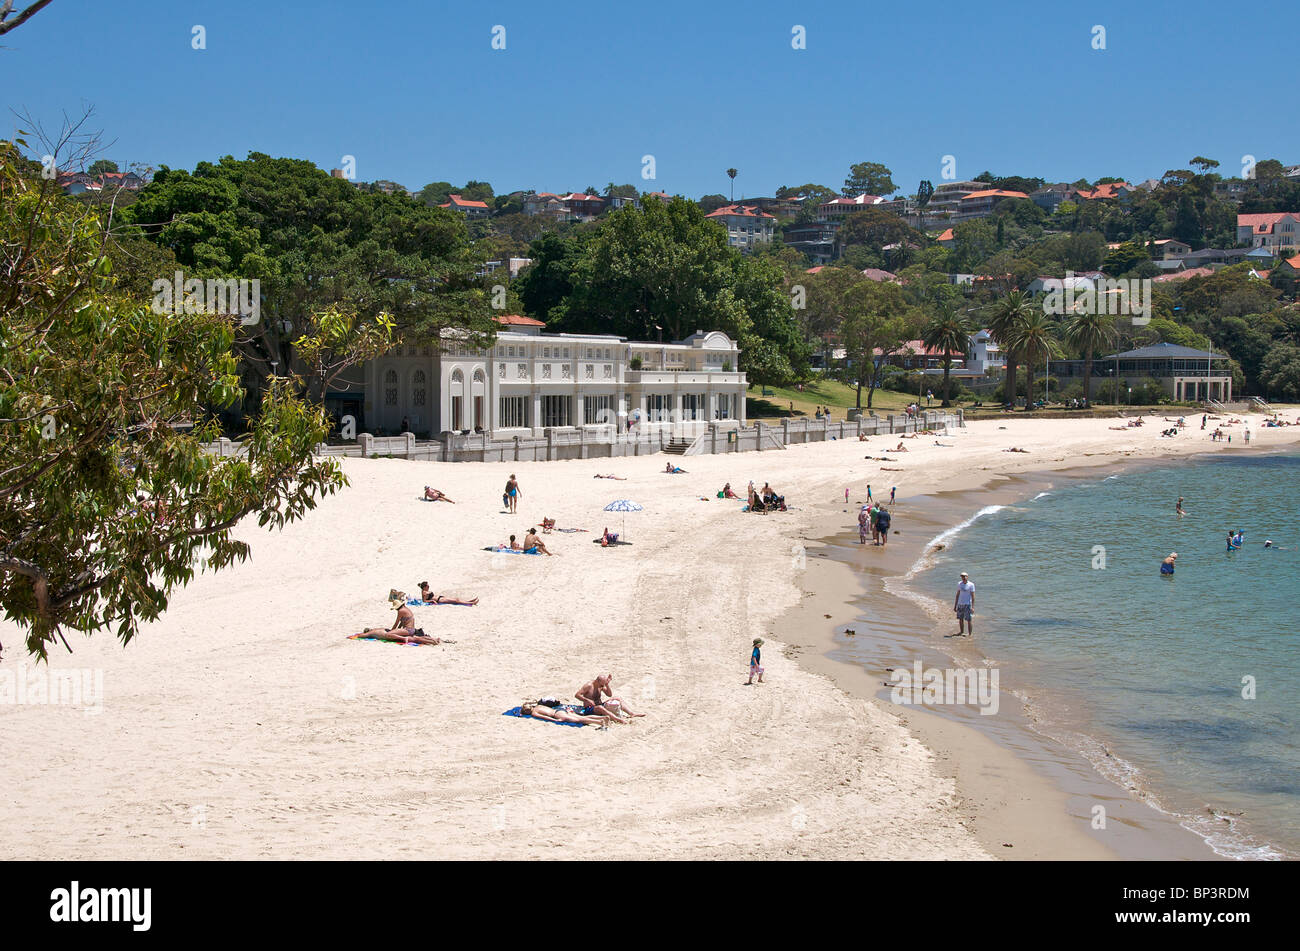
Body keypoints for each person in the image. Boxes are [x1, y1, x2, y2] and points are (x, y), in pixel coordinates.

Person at [357, 604, 450, 645]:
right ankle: (433, 640)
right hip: (409, 629)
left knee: (414, 639)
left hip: (405, 631)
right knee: (415, 638)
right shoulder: (379, 628)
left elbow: (362, 635)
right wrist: (393, 631)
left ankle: (432, 641)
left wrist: (357, 635)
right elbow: (398, 625)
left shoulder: (372, 632)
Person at [575, 674, 644, 722]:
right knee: (600, 708)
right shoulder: (589, 686)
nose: (602, 686)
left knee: (617, 698)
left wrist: (607, 685)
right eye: (602, 684)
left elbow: (609, 695)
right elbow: (577, 695)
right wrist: (587, 700)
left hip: (600, 705)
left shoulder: (601, 685)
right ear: (597, 681)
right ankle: (617, 719)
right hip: (589, 709)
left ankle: (632, 713)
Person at [518, 700, 609, 727]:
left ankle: (600, 722)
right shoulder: (538, 706)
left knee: (579, 720)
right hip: (560, 710)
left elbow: (545, 717)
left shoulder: (534, 713)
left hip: (557, 714)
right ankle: (603, 718)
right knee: (577, 716)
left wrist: (555, 720)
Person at [953, 572, 975, 637]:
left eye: (965, 576)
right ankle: (961, 632)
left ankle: (970, 634)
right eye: (962, 576)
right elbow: (957, 595)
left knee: (969, 620)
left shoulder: (971, 584)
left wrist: (973, 607)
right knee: (960, 619)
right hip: (960, 604)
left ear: (967, 576)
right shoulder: (959, 584)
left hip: (967, 604)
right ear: (961, 577)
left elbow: (973, 596)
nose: (964, 577)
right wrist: (955, 606)